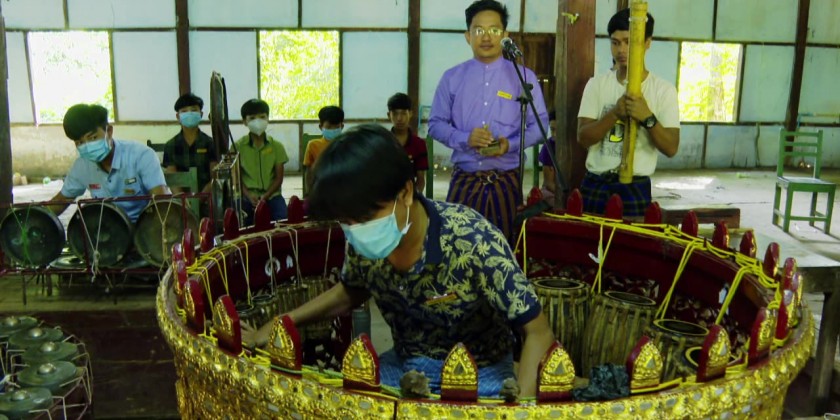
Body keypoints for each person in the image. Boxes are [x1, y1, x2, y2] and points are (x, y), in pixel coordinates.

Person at [242, 124, 554, 398]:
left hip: (481, 374)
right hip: (404, 367)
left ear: (405, 192)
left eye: (365, 217)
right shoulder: (361, 237)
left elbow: (537, 332)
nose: (356, 230)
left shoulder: (473, 240)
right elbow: (349, 292)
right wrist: (280, 324)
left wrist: (523, 407)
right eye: (346, 220)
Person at [428, 0, 548, 241]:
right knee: (458, 248)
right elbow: (435, 124)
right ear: (467, 36)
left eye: (494, 30)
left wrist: (509, 145)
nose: (486, 37)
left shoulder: (523, 77)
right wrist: (465, 138)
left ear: (505, 35)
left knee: (504, 249)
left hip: (506, 181)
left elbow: (541, 126)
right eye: (478, 30)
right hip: (465, 178)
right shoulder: (452, 78)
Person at [577, 8, 680, 216]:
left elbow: (671, 148)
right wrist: (615, 113)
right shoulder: (597, 85)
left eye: (629, 41)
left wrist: (647, 118)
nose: (621, 50)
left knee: (628, 247)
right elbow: (583, 137)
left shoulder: (663, 90)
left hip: (635, 185)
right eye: (615, 42)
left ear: (647, 42)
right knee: (590, 246)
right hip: (596, 182)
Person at [48, 104, 169, 222]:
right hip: (109, 230)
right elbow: (61, 200)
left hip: (145, 224)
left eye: (93, 138)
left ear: (109, 131)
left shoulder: (141, 155)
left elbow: (161, 202)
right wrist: (33, 217)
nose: (87, 146)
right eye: (79, 142)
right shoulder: (82, 166)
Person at [235, 99, 289, 224]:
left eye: (262, 117)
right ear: (244, 121)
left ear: (267, 118)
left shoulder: (277, 146)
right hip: (247, 197)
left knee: (283, 222)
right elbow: (236, 179)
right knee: (240, 225)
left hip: (272, 196)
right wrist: (248, 195)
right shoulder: (237, 147)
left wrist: (265, 196)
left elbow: (279, 178)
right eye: (252, 118)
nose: (258, 121)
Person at [162, 93, 218, 193]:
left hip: (207, 199)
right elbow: (173, 179)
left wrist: (200, 198)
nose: (190, 114)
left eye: (193, 110)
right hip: (182, 202)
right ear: (178, 116)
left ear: (201, 114)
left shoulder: (210, 143)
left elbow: (214, 177)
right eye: (184, 111)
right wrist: (184, 202)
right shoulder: (170, 145)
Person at [387, 93, 429, 194]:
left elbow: (420, 180)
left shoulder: (419, 144)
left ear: (410, 114)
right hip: (387, 195)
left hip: (410, 194)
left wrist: (414, 198)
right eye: (395, 114)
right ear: (389, 115)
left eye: (403, 113)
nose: (399, 118)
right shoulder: (383, 142)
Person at [302, 105, 344, 190]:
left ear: (342, 126)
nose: (333, 129)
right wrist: (309, 191)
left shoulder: (348, 143)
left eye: (336, 127)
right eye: (328, 127)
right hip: (320, 189)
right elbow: (308, 171)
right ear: (321, 127)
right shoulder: (313, 145)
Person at [537, 110, 558, 203]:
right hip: (553, 192)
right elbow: (549, 183)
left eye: (558, 130)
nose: (554, 134)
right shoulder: (548, 146)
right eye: (552, 129)